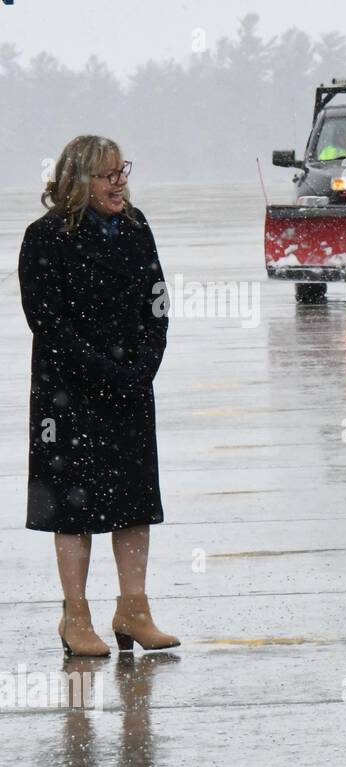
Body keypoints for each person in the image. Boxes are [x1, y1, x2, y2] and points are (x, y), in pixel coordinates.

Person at [18, 135, 180, 657]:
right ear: (76, 182)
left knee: (134, 501)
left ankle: (134, 611)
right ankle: (76, 616)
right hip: (68, 395)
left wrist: (144, 366)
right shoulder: (44, 237)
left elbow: (157, 301)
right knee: (73, 506)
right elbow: (48, 323)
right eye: (108, 174)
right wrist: (103, 370)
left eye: (122, 171)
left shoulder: (137, 227)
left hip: (131, 387)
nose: (120, 182)